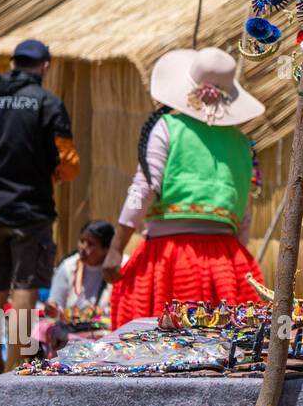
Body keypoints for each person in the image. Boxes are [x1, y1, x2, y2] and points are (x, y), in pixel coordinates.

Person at [104, 47, 264, 329]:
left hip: (170, 259)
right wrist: (233, 264)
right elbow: (244, 212)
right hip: (226, 262)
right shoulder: (242, 144)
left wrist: (116, 247)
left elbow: (144, 187)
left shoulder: (167, 126)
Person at [0, 39, 78, 375]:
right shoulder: (48, 103)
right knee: (25, 290)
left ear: (12, 65)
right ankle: (13, 375)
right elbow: (69, 165)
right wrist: (47, 172)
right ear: (44, 67)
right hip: (32, 213)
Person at [37, 220, 116, 356]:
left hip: (104, 332)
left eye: (91, 244)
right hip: (71, 331)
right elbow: (56, 304)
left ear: (106, 249)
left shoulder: (118, 267)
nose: (83, 247)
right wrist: (53, 309)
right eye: (81, 241)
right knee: (42, 328)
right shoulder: (68, 266)